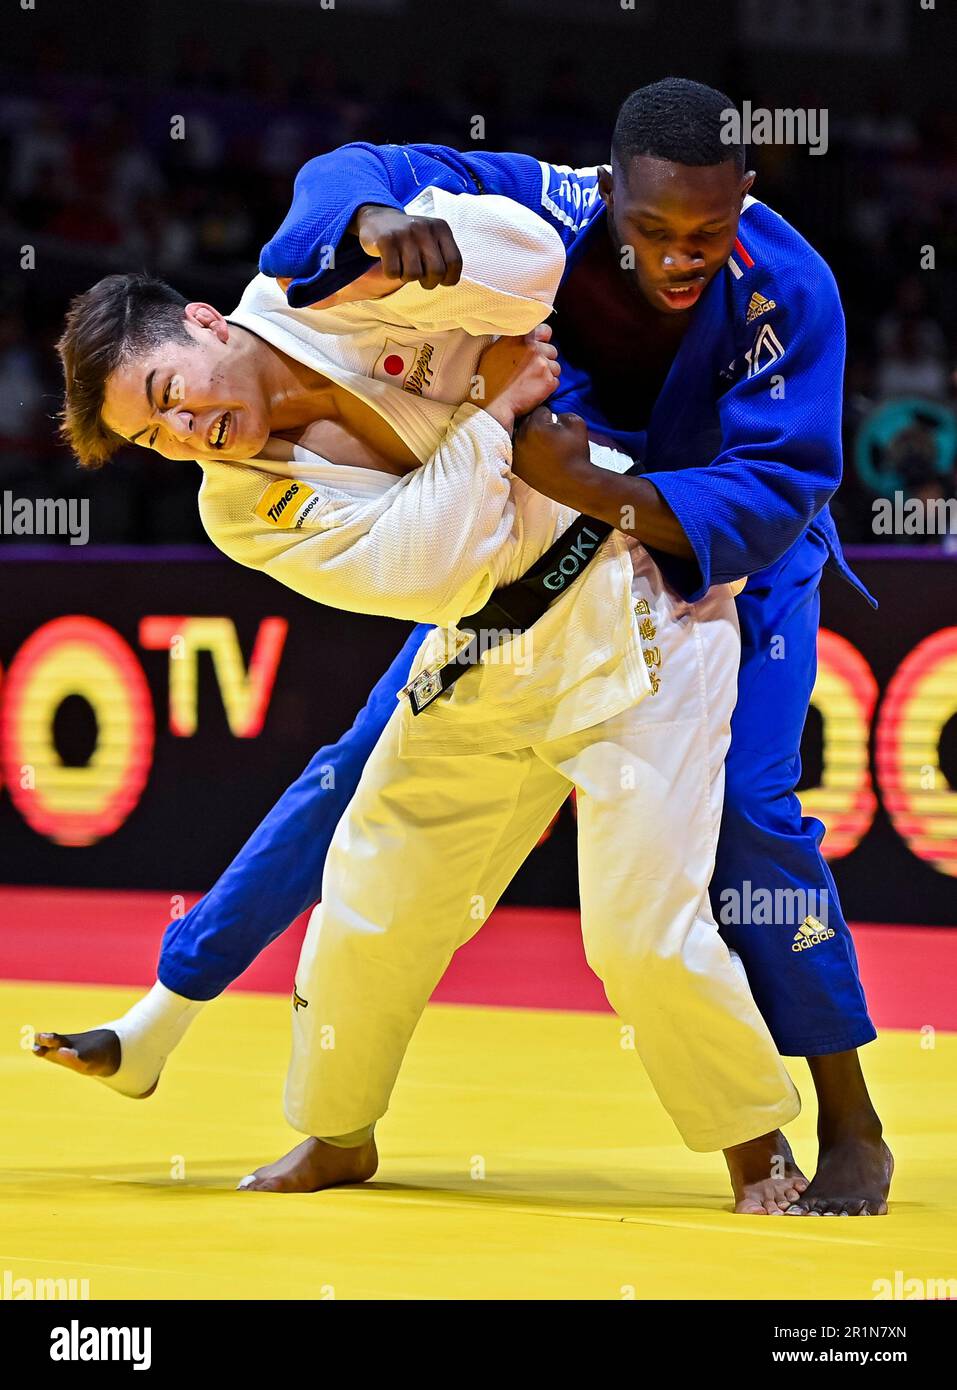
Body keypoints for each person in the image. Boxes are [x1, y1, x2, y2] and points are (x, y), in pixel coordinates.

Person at [40, 78, 892, 1214]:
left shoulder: (784, 284)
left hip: (685, 565)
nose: (188, 434)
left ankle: (804, 1132)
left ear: (200, 325)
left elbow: (762, 473)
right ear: (617, 196)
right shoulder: (253, 459)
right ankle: (328, 1125)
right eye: (157, 436)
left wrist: (568, 465)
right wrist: (419, 309)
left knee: (724, 846)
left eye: (169, 398)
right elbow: (418, 561)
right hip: (492, 614)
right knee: (370, 861)